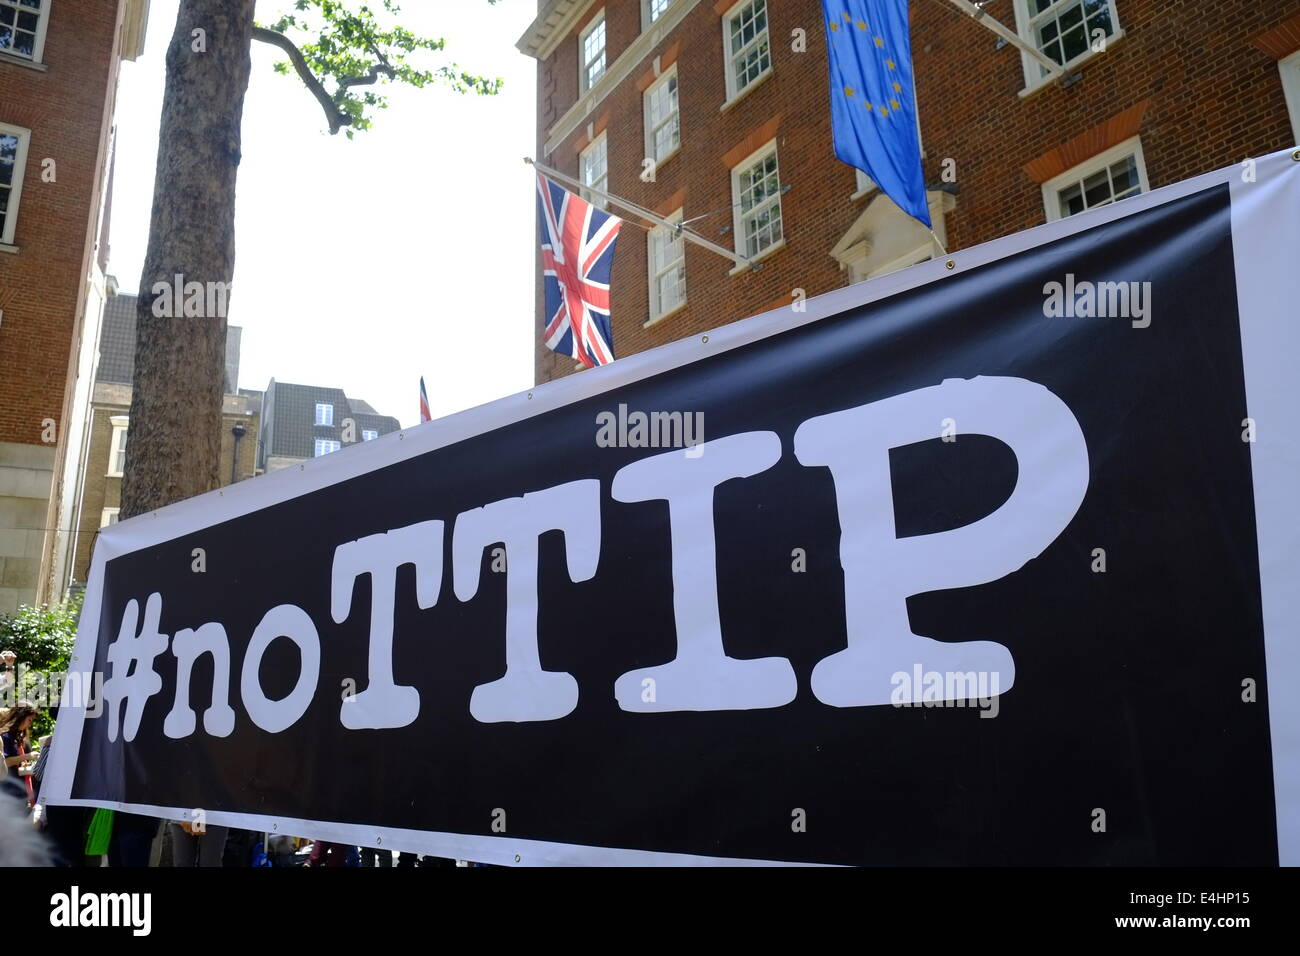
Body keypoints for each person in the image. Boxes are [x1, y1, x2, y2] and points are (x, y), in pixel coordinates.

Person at [0, 701, 40, 807]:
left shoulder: (18, 736)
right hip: (8, 792)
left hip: (19, 792)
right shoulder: (5, 736)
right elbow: (5, 762)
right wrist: (27, 757)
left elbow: (15, 760)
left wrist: (23, 763)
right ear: (21, 716)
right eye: (29, 720)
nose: (30, 724)